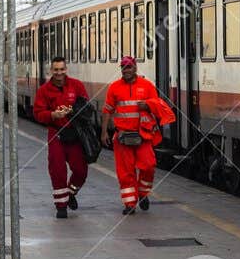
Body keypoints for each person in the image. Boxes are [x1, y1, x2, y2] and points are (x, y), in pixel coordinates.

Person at [102, 54, 174, 215]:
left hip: (143, 136)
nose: (126, 70)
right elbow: (107, 110)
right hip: (122, 137)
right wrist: (104, 132)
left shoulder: (147, 85)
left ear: (135, 67)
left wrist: (147, 105)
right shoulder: (114, 87)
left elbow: (158, 107)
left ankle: (142, 194)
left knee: (148, 166)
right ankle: (130, 204)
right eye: (123, 67)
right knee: (125, 172)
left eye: (129, 67)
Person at [32, 56, 91, 219]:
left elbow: (86, 107)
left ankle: (71, 192)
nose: (59, 73)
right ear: (51, 71)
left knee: (80, 169)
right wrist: (52, 114)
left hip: (75, 133)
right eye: (56, 70)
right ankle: (61, 206)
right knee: (57, 170)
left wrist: (74, 111)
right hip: (56, 133)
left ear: (66, 69)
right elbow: (37, 113)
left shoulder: (76, 85)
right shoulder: (44, 90)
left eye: (62, 69)